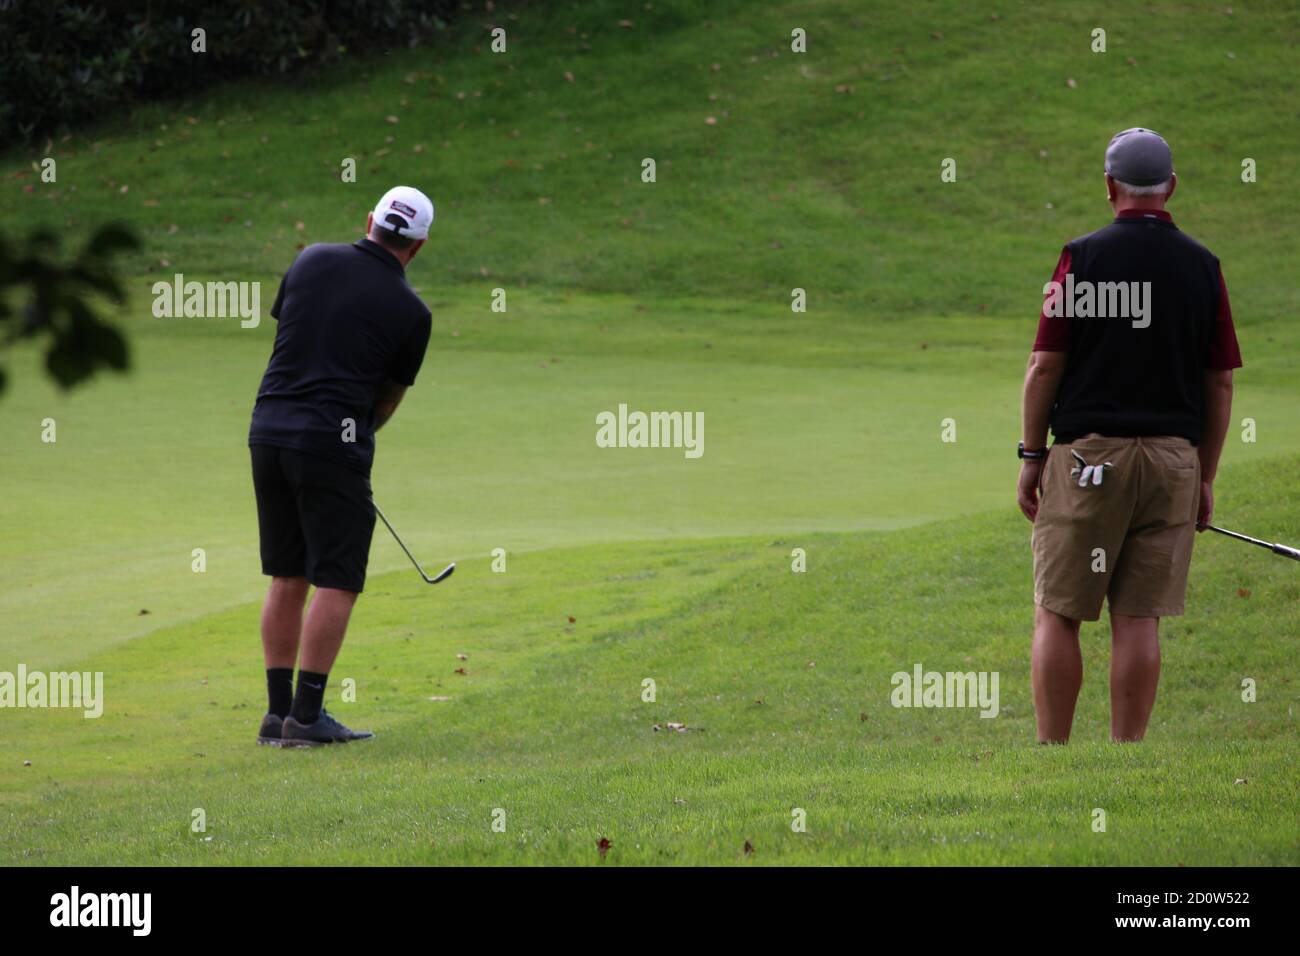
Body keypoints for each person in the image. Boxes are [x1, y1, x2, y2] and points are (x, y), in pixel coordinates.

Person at [1017, 129, 1241, 743]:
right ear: (1171, 188)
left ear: (1109, 187)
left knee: (1059, 613)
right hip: (1173, 462)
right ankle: (1126, 758)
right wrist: (1205, 475)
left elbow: (1044, 366)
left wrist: (1032, 455)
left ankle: (1054, 754)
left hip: (1090, 458)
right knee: (1139, 618)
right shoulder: (1203, 266)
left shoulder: (1082, 258)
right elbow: (1219, 383)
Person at [248, 186, 434, 746]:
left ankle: (278, 715)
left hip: (267, 430)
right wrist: (354, 441)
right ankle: (307, 718)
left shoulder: (311, 259)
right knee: (338, 577)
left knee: (289, 572)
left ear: (370, 220)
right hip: (332, 441)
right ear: (418, 246)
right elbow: (388, 398)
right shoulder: (412, 312)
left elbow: (294, 337)